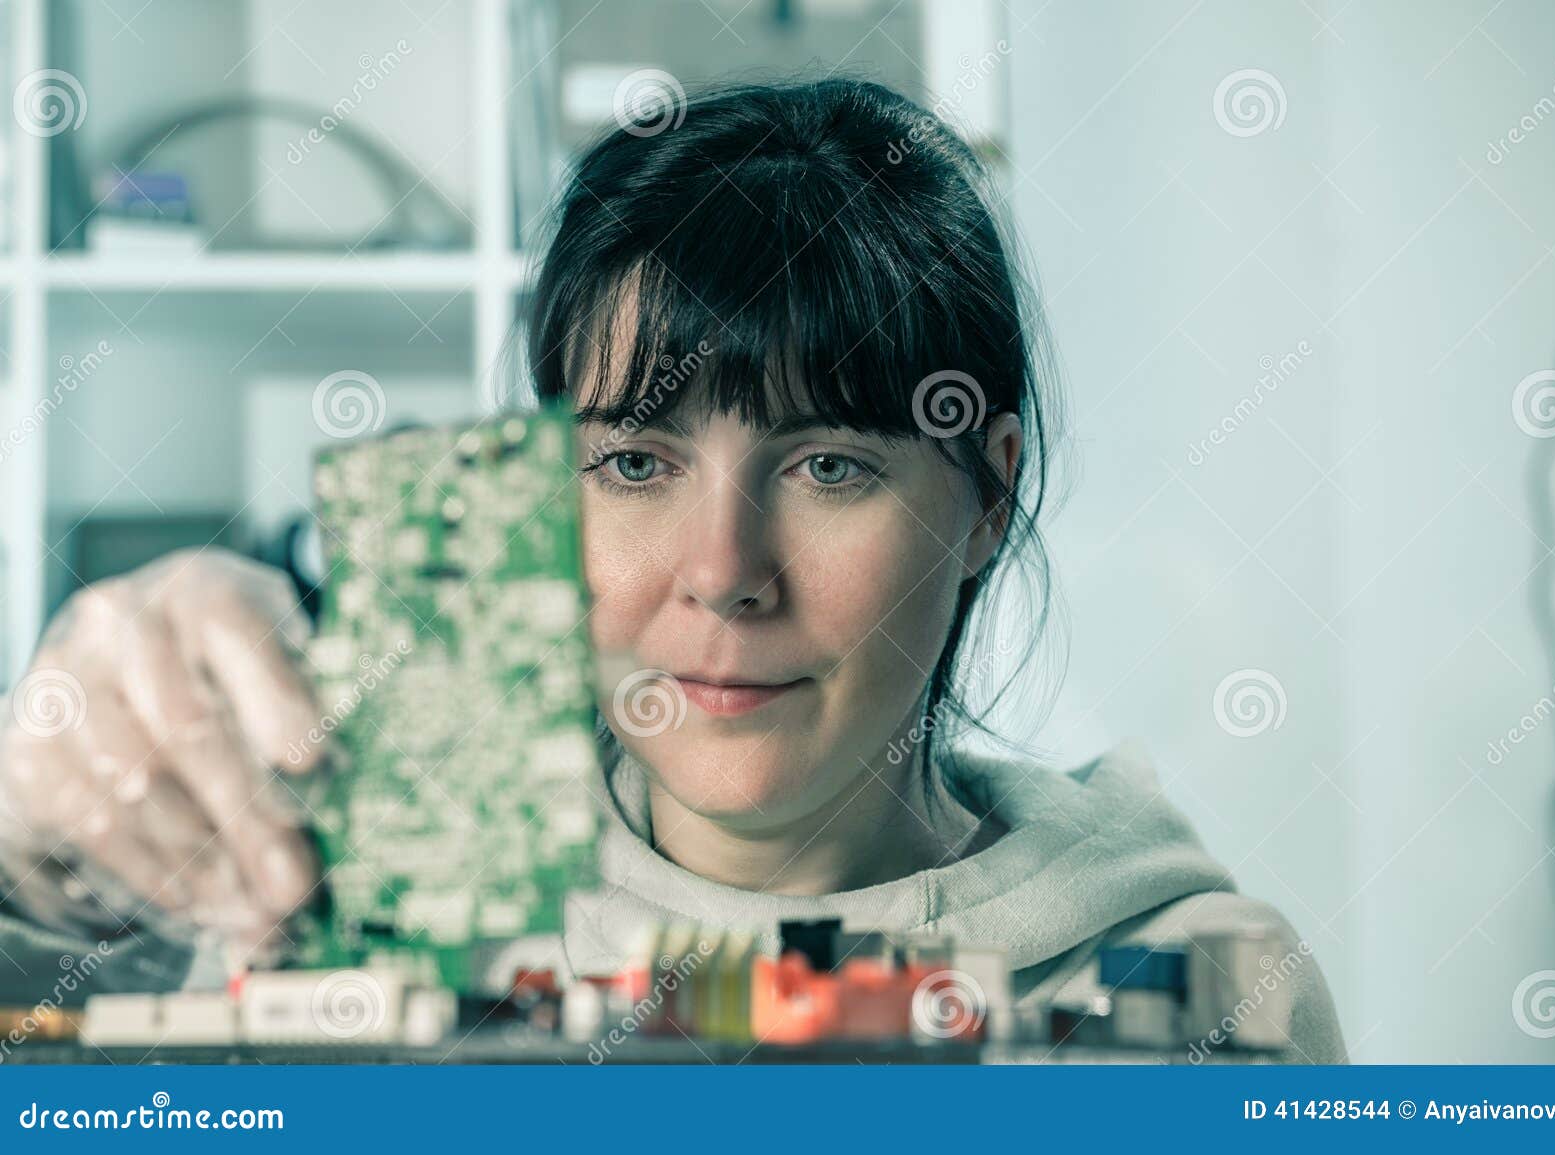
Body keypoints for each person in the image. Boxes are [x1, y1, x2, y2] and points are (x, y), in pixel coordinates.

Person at [0, 79, 1344, 1061]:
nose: (723, 575)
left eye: (831, 466)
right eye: (638, 462)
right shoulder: (347, 901)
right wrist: (28, 835)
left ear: (986, 493)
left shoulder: (1210, 994)